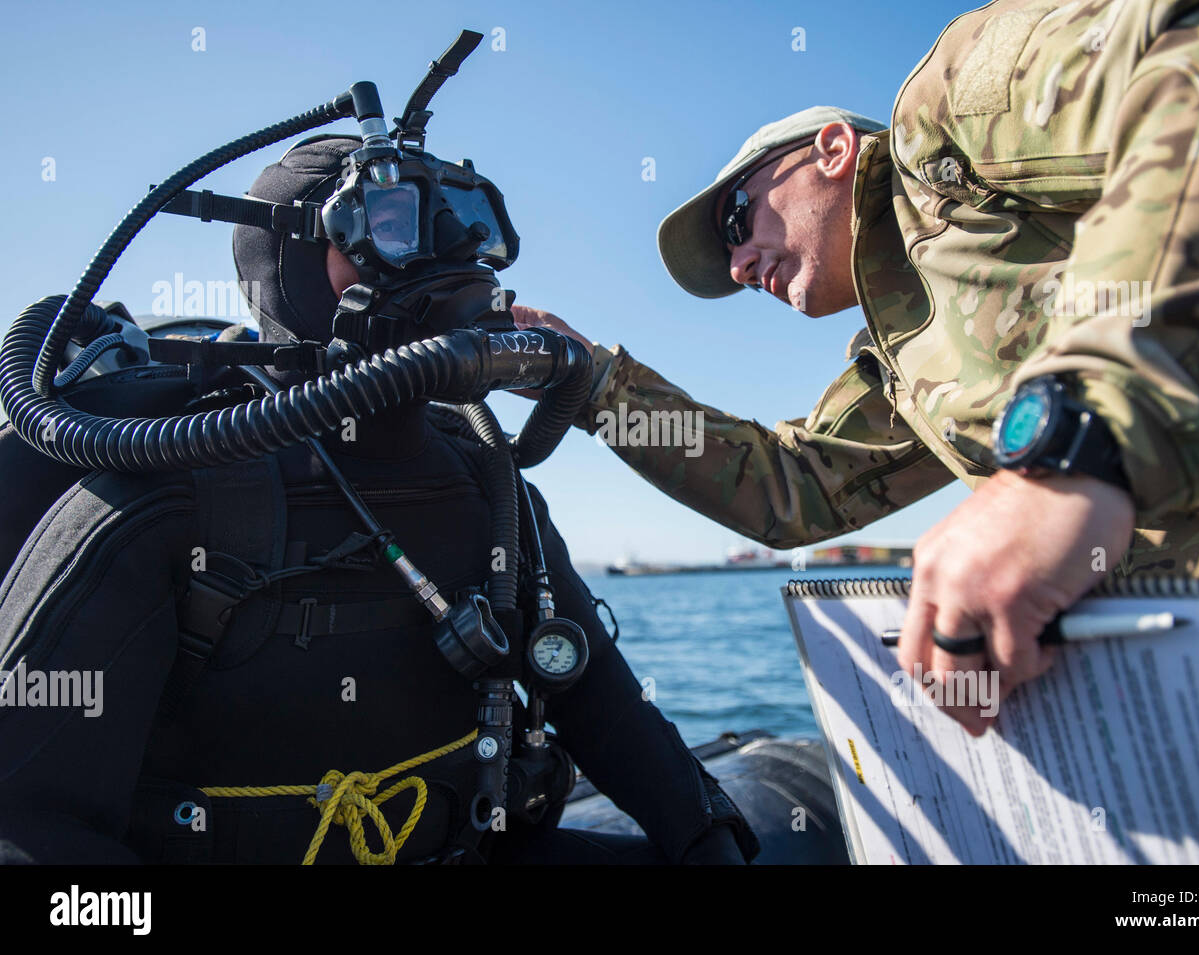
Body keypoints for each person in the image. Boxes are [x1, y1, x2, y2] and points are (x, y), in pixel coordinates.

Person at [513, 0, 1199, 736]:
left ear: (831, 150)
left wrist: (1075, 448)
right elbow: (795, 487)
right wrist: (590, 385)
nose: (742, 265)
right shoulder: (904, 365)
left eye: (736, 218)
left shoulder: (948, 117)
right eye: (730, 265)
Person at [0, 137, 758, 865]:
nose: (456, 250)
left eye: (472, 221)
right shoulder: (168, 499)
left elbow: (599, 701)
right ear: (292, 267)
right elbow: (31, 828)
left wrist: (707, 839)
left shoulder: (490, 485)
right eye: (396, 224)